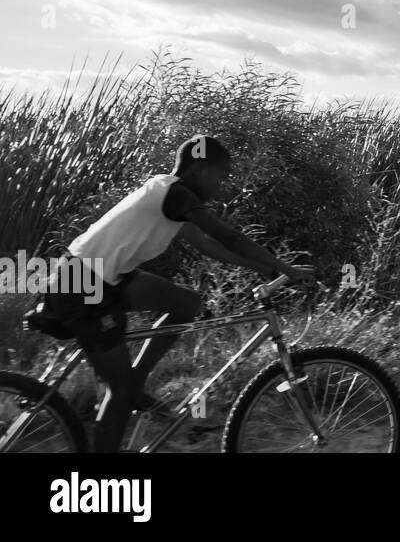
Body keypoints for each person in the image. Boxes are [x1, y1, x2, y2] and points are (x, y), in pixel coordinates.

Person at [36, 134, 314, 452]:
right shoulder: (176, 195)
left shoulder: (167, 193)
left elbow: (207, 245)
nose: (221, 186)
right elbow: (226, 236)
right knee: (120, 392)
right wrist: (286, 267)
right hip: (82, 284)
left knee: (186, 303)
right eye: (220, 176)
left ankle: (136, 381)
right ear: (199, 169)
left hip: (103, 277)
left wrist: (264, 269)